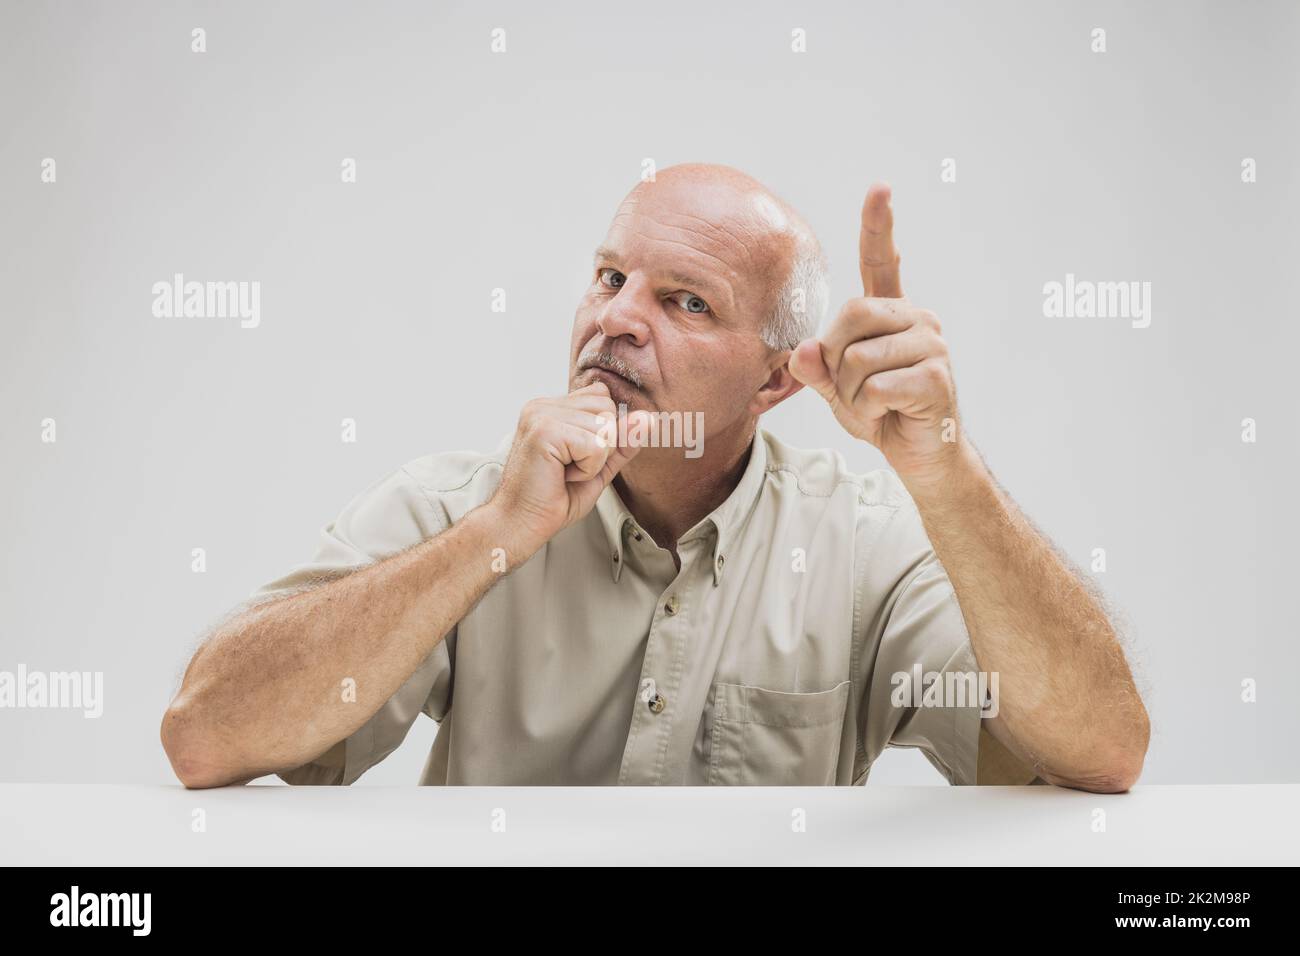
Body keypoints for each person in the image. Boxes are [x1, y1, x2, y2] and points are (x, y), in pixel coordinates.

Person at [161, 163, 1149, 790]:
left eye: (684, 300)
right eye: (608, 276)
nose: (616, 319)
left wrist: (946, 468)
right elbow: (207, 734)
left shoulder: (866, 543)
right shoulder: (456, 507)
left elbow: (1099, 749)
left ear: (772, 380)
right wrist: (494, 536)